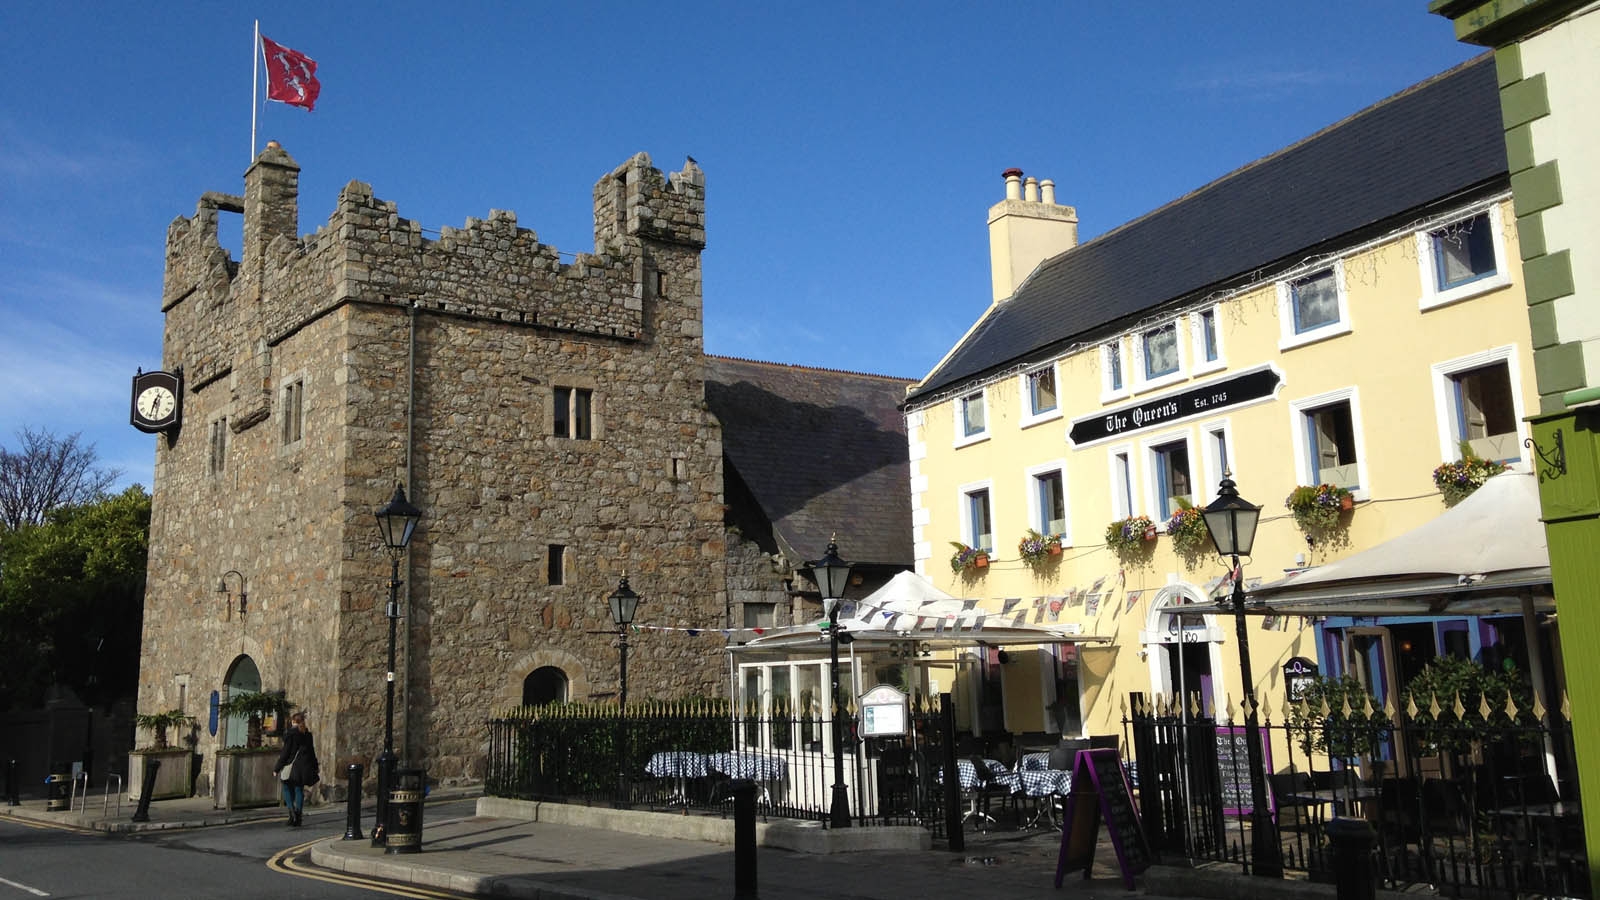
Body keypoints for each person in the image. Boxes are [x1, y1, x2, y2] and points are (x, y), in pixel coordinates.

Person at [273, 710, 320, 827]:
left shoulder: (290, 734)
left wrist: (277, 768)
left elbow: (285, 753)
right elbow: (311, 752)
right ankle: (298, 816)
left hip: (291, 765)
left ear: (294, 721)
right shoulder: (307, 735)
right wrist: (315, 766)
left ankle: (292, 813)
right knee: (299, 789)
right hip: (303, 766)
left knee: (286, 787)